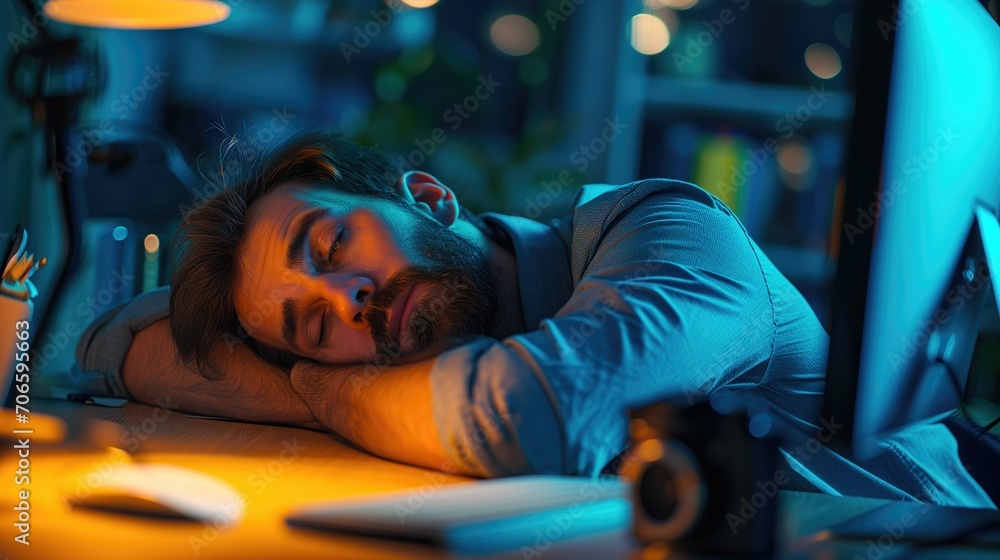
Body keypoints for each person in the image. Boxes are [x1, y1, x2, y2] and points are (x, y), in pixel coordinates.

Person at [71, 130, 993, 507]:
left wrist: (315, 385)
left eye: (333, 244)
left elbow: (529, 418)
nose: (346, 298)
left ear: (431, 198)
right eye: (313, 326)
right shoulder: (425, 355)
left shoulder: (669, 231)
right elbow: (123, 343)